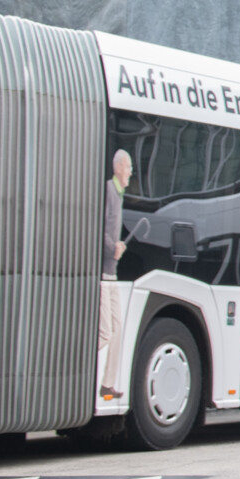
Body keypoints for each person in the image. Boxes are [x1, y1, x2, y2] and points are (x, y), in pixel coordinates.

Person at [99, 150, 132, 401]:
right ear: (118, 167)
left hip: (112, 273)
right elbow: (98, 228)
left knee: (118, 328)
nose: (131, 171)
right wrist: (114, 246)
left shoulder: (119, 194)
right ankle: (80, 371)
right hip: (102, 272)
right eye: (128, 166)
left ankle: (107, 384)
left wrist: (117, 245)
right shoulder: (109, 192)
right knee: (105, 332)